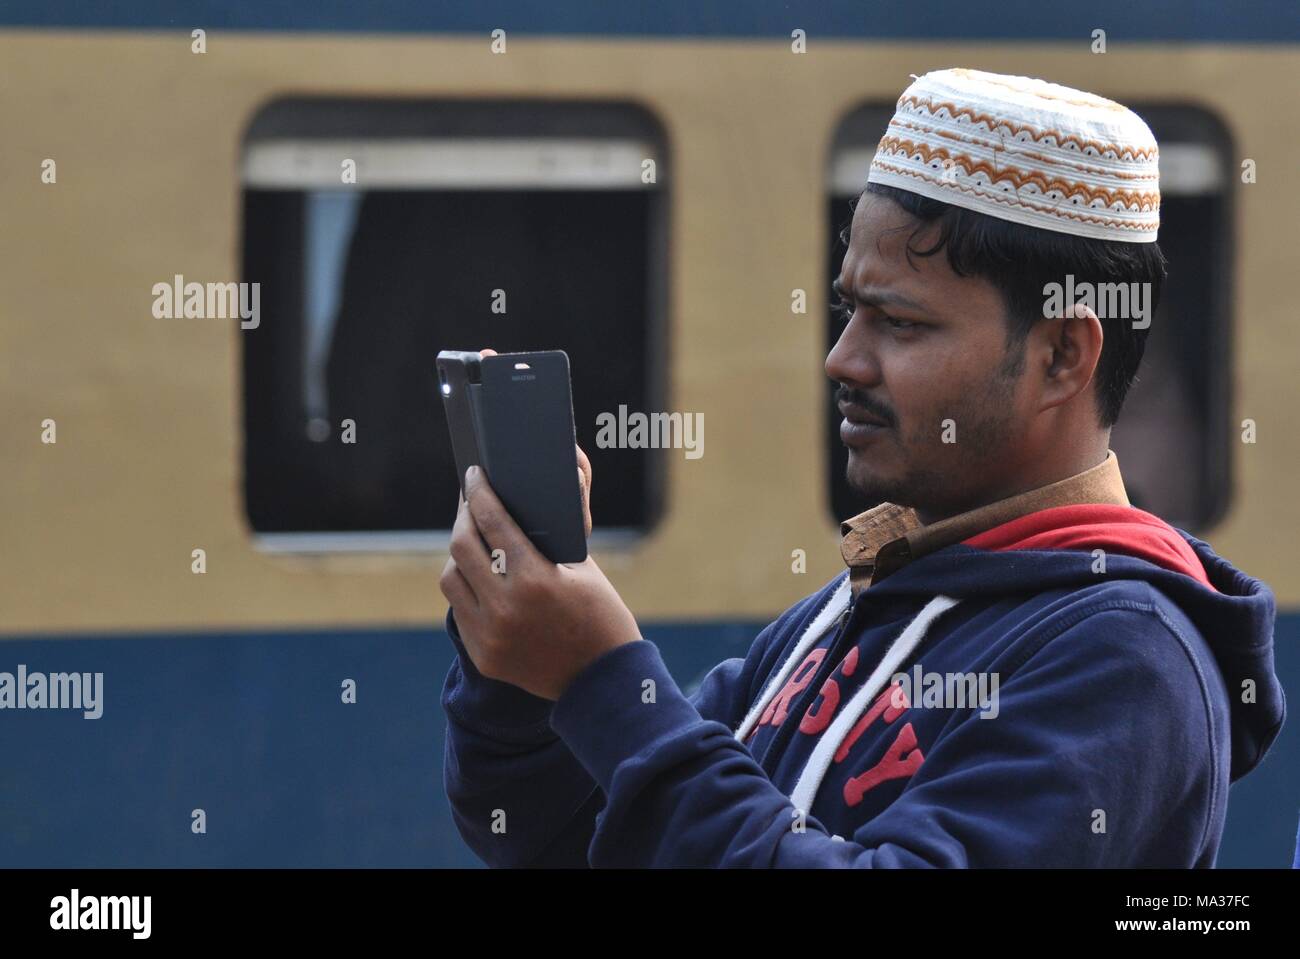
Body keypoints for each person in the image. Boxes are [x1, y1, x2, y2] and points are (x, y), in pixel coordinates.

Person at [438, 68, 1285, 867]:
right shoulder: (853, 605)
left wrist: (603, 674)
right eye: (848, 308)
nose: (843, 360)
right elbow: (563, 836)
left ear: (1062, 354)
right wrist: (518, 659)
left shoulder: (1126, 658)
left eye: (901, 323)